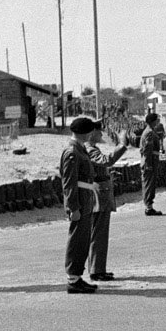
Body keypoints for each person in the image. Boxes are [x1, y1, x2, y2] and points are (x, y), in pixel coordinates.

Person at [61, 117, 101, 293]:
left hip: (85, 197)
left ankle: (77, 276)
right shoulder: (72, 151)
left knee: (83, 239)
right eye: (91, 130)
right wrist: (73, 207)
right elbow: (68, 183)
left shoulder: (79, 149)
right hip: (79, 199)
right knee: (77, 239)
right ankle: (72, 278)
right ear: (85, 132)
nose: (92, 133)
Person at [86, 120, 128, 281]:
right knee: (99, 234)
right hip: (99, 195)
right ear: (91, 134)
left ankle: (98, 268)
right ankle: (96, 270)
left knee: (100, 233)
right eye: (98, 132)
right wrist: (122, 145)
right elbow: (106, 160)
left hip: (101, 192)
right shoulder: (90, 149)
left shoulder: (92, 149)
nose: (101, 134)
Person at [140, 113, 163, 216]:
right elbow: (147, 150)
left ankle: (149, 206)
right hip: (150, 161)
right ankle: (149, 207)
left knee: (149, 183)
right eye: (156, 120)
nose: (158, 121)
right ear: (153, 121)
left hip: (150, 160)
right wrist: (149, 164)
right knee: (149, 184)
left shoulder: (149, 131)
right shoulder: (149, 132)